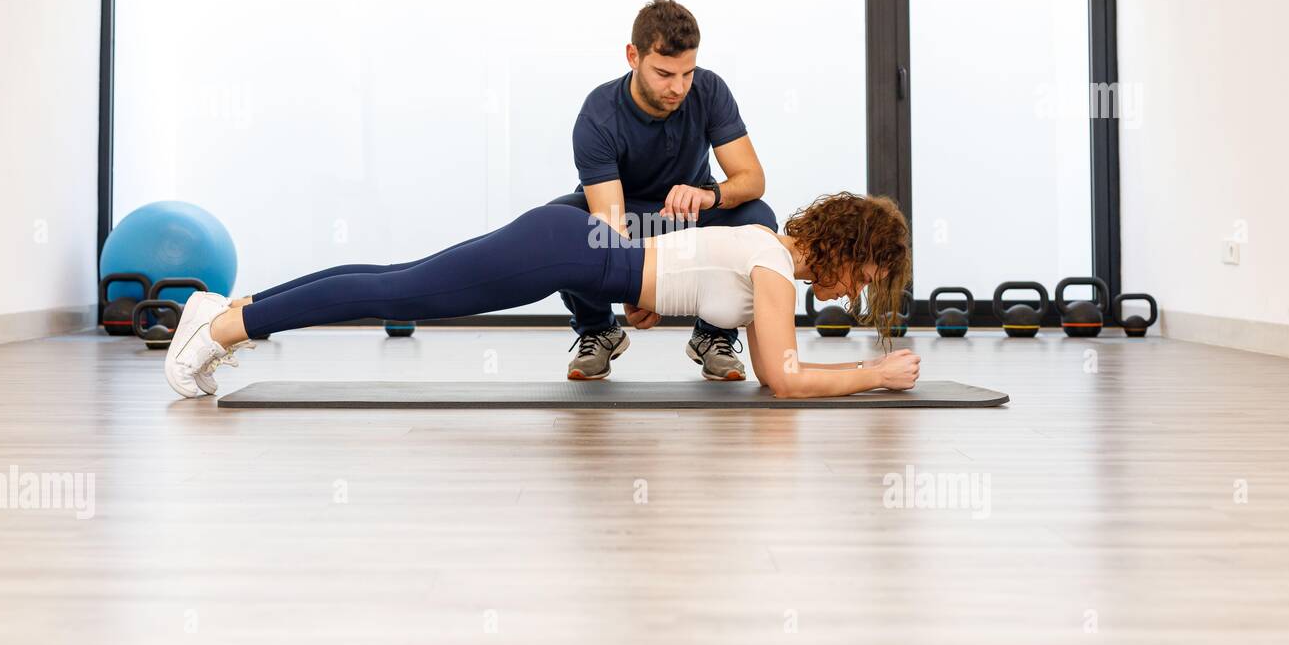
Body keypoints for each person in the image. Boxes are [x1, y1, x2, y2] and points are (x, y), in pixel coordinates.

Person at [162, 191, 919, 400]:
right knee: (399, 291)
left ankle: (225, 314)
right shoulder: (774, 263)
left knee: (396, 280)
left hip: (572, 248)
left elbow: (760, 360)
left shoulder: (764, 258)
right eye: (868, 278)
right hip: (562, 250)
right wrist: (874, 376)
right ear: (849, 253)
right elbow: (782, 380)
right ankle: (226, 330)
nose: (856, 296)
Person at [547, 0, 778, 382]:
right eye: (664, 73)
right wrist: (636, 292)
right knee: (563, 223)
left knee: (758, 220)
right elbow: (610, 221)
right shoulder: (598, 114)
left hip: (688, 217)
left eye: (686, 73)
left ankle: (713, 335)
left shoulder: (709, 89)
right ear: (632, 56)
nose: (678, 87)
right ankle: (598, 329)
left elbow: (752, 178)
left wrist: (710, 195)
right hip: (628, 219)